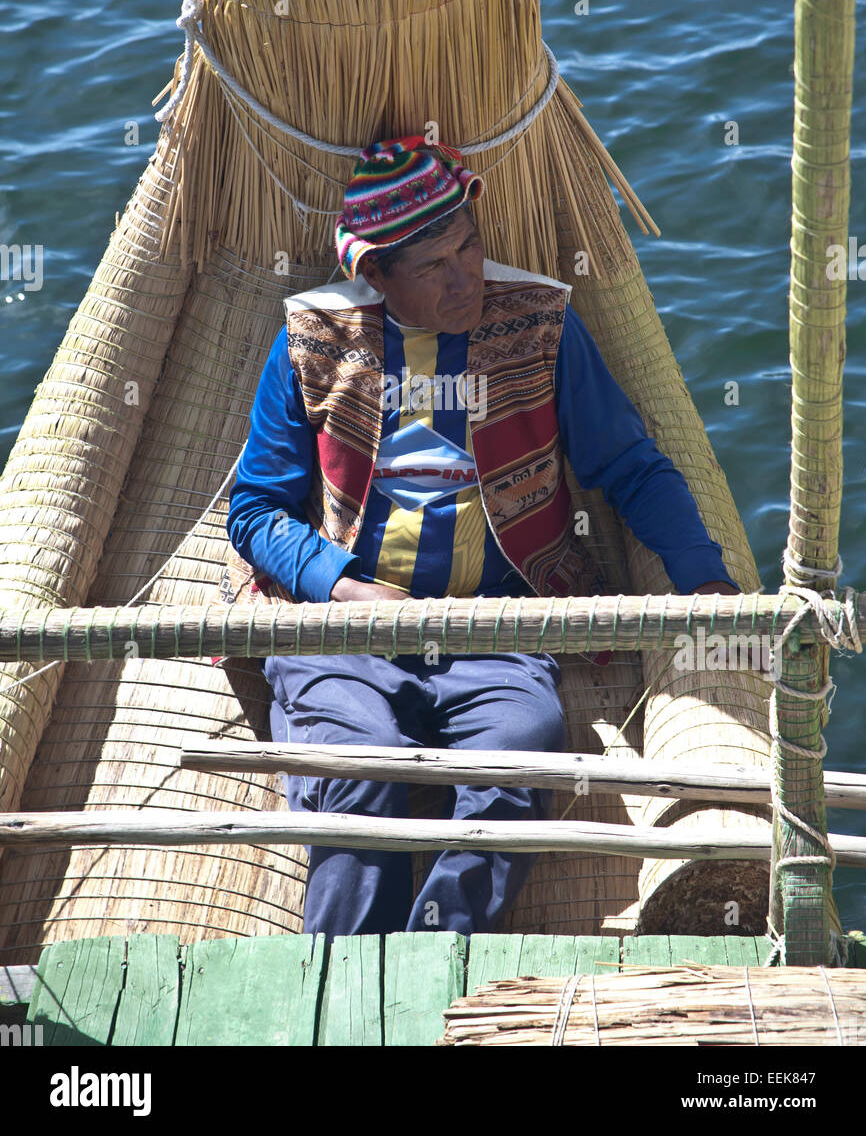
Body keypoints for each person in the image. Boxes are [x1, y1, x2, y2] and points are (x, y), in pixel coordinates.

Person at [226, 133, 738, 940]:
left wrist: (705, 579)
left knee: (517, 759)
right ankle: (336, 976)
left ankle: (436, 959)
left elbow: (632, 467)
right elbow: (255, 512)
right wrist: (348, 590)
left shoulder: (541, 327)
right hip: (347, 632)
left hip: (495, 626)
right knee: (358, 771)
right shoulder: (315, 340)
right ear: (376, 275)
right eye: (432, 266)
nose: (464, 276)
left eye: (469, 245)